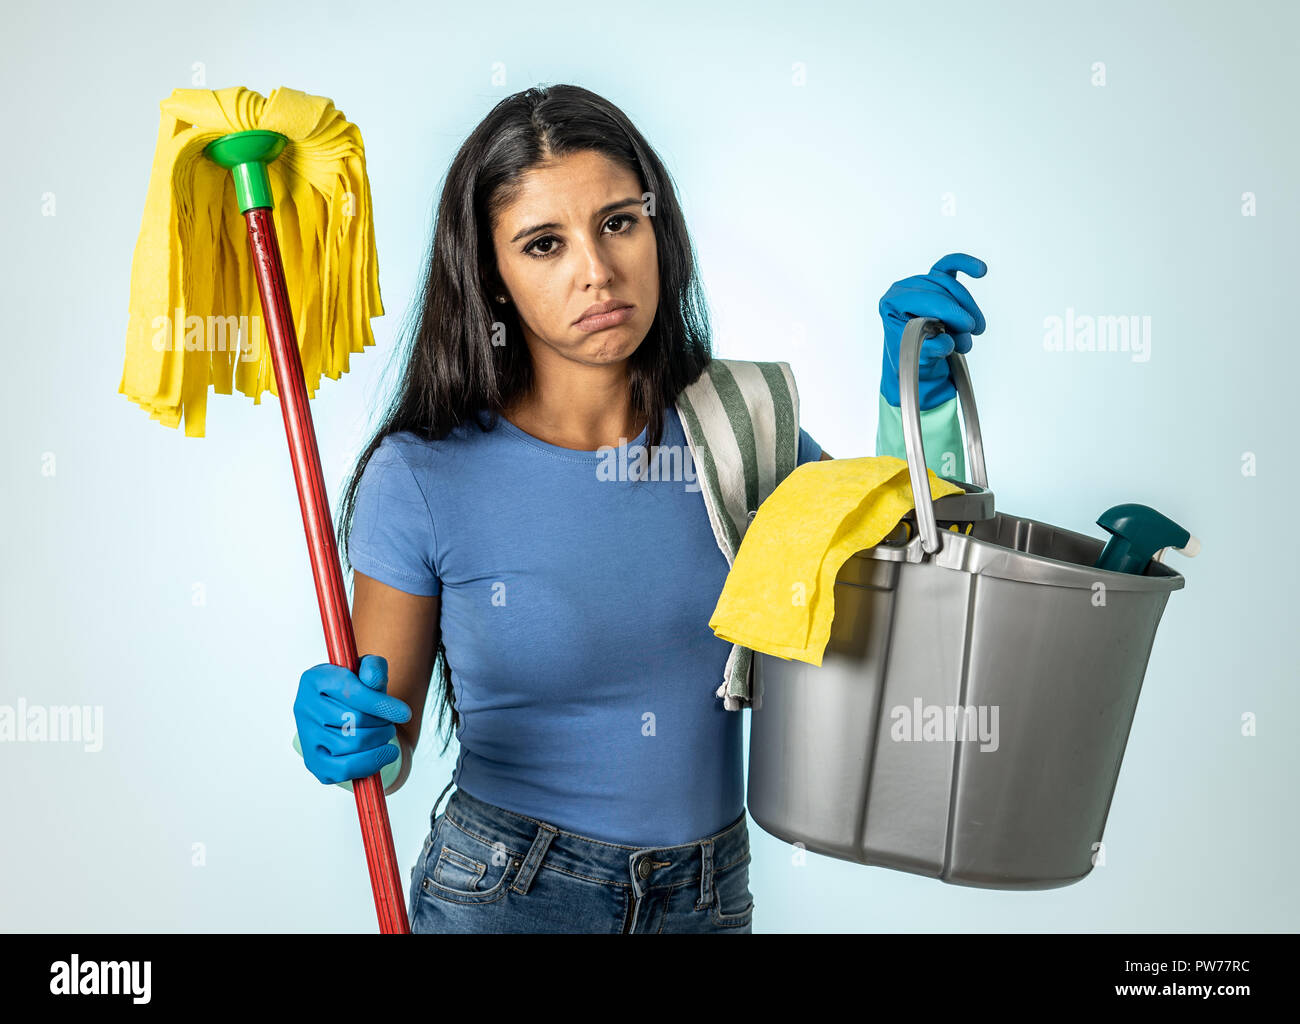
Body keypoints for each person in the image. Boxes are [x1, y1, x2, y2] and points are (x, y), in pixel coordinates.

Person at [292, 83, 987, 933]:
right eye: (544, 244)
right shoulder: (424, 476)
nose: (597, 270)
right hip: (508, 896)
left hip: (709, 894)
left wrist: (918, 405)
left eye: (619, 221)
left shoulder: (742, 431)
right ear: (493, 279)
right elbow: (384, 740)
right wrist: (344, 735)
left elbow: (924, 574)